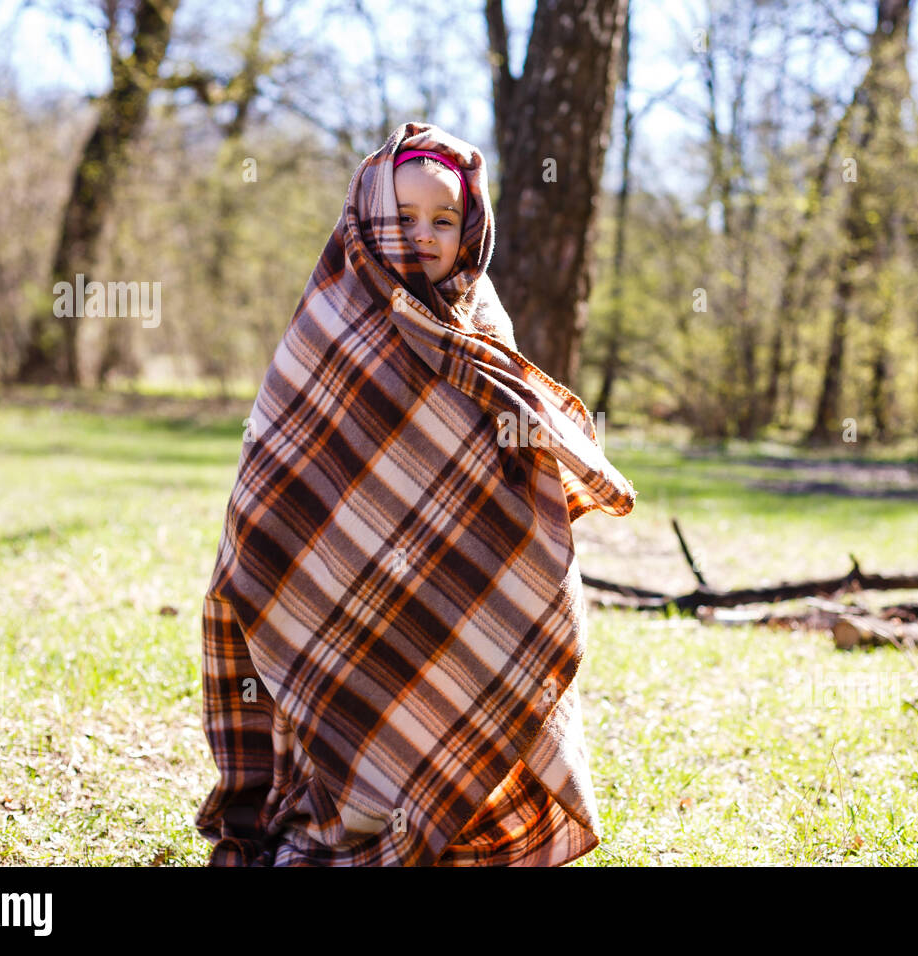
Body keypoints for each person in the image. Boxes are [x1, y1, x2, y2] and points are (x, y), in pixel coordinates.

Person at [194, 121, 637, 866]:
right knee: (349, 679)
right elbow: (285, 444)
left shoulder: (478, 314)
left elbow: (510, 416)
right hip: (341, 562)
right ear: (369, 214)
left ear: (470, 226)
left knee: (467, 665)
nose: (424, 235)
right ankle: (349, 808)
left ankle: (456, 812)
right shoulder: (333, 313)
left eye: (444, 219)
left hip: (459, 554)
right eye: (404, 217)